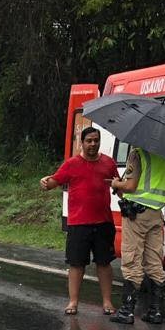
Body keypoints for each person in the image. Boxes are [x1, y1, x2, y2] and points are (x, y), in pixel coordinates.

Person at [39, 126, 118, 315]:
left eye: (96, 140)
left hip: (103, 222)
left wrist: (124, 188)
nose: (93, 144)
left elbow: (119, 185)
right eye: (89, 141)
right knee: (76, 264)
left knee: (104, 263)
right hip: (78, 223)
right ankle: (73, 302)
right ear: (82, 143)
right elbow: (52, 183)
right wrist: (44, 182)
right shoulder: (71, 164)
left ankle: (107, 302)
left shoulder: (108, 163)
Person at [109, 145, 165, 324]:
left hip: (136, 214)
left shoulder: (139, 154)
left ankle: (127, 311)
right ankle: (156, 311)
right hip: (156, 213)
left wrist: (116, 184)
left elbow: (130, 186)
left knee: (132, 259)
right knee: (154, 261)